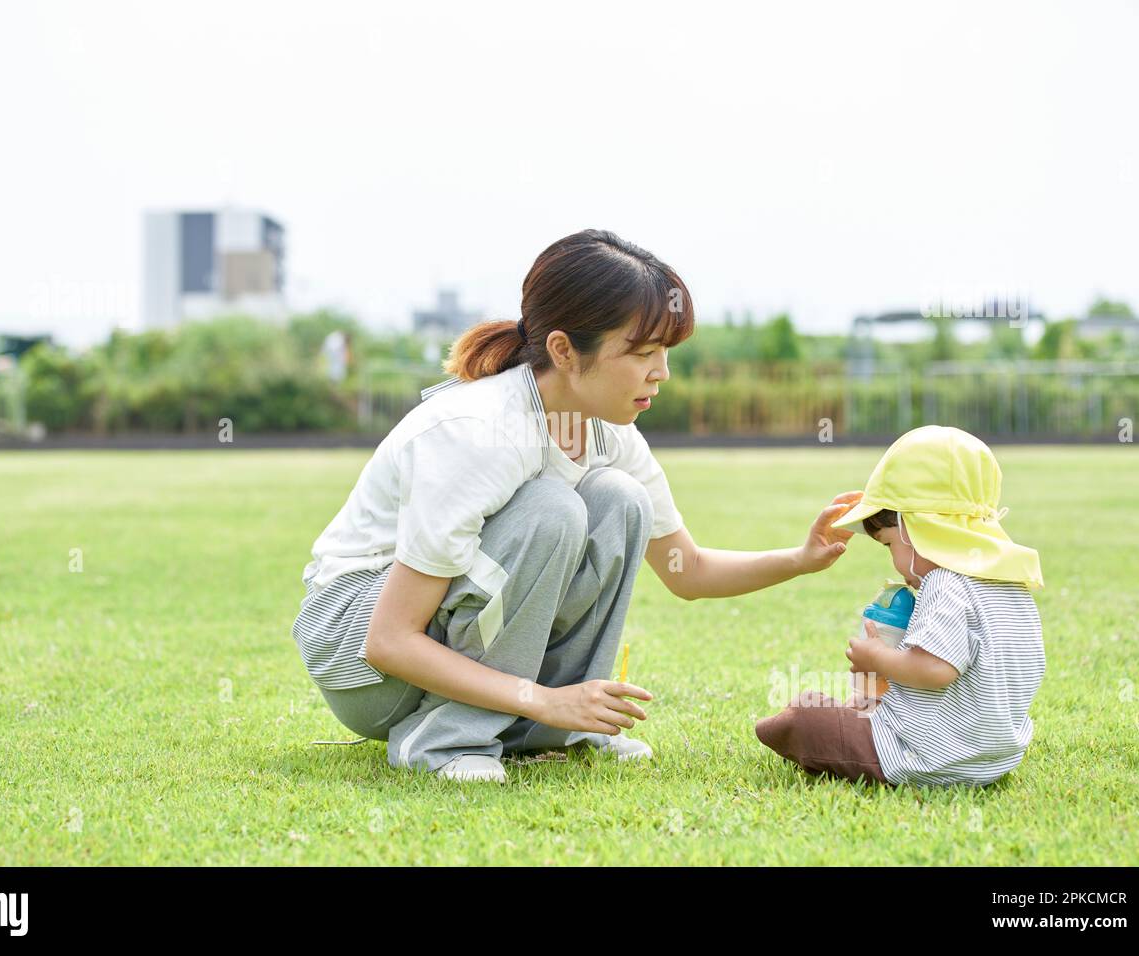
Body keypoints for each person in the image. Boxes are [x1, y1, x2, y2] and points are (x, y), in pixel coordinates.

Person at [293, 228, 859, 783]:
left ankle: (550, 731)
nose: (661, 371)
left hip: (420, 649)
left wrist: (800, 558)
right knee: (551, 507)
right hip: (363, 667)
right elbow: (389, 640)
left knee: (619, 499)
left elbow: (688, 573)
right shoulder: (480, 433)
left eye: (664, 352)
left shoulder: (607, 431)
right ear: (564, 350)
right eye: (642, 352)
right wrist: (538, 695)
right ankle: (444, 737)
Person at [755, 426, 1046, 787]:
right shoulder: (1008, 582)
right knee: (851, 707)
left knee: (804, 713)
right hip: (993, 758)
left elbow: (935, 669)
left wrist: (875, 658)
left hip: (926, 754)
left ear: (914, 527)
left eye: (889, 543)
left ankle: (785, 726)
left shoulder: (946, 582)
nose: (894, 560)